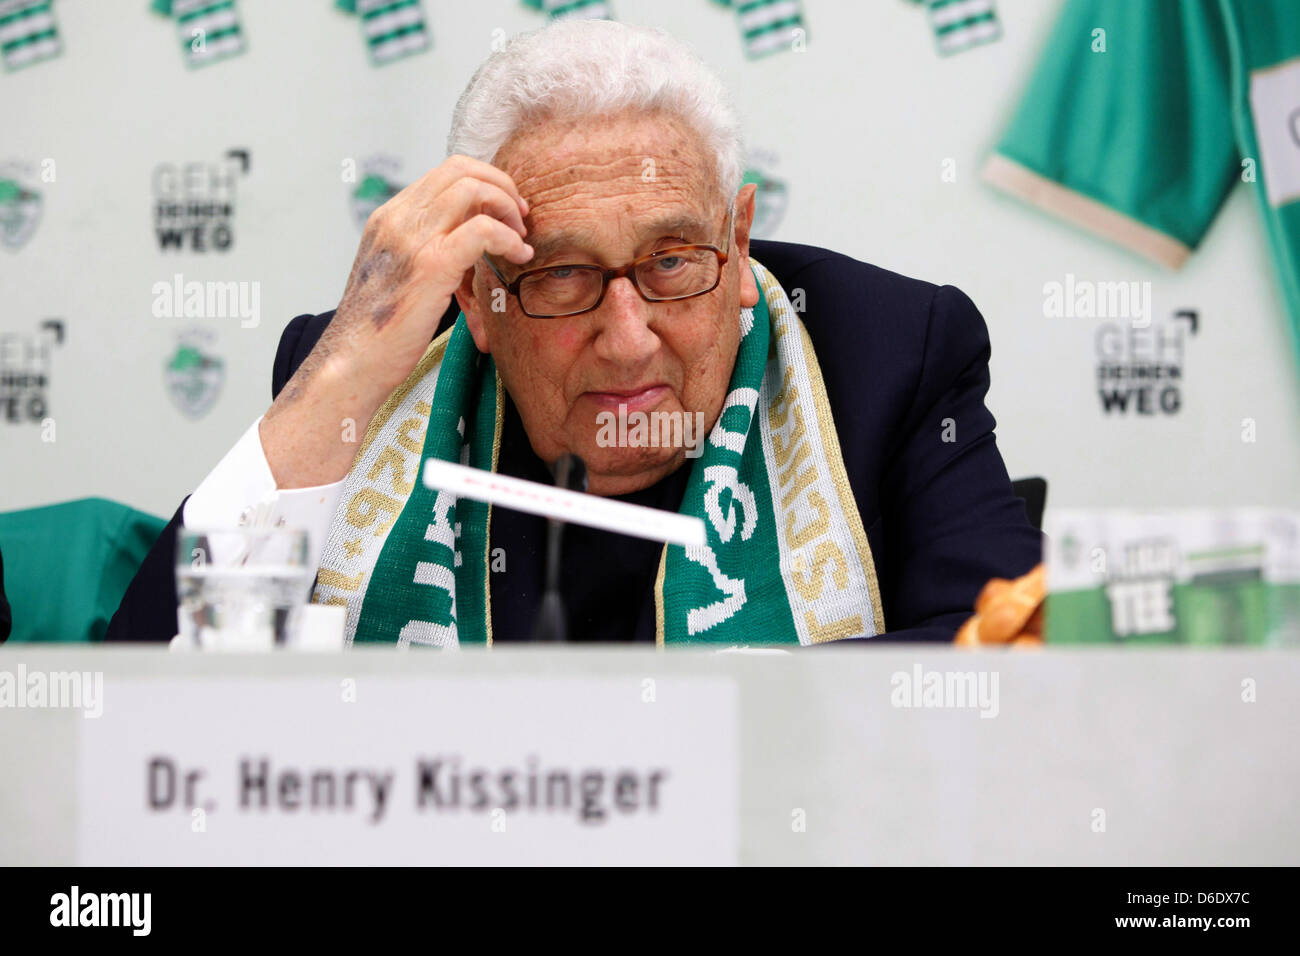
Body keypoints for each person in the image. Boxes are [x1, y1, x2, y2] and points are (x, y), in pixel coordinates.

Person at [107, 19, 1041, 646]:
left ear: (738, 238)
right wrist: (339, 374)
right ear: (476, 294)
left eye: (673, 261)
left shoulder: (888, 350)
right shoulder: (365, 375)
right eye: (562, 275)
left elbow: (1008, 671)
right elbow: (149, 709)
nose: (629, 339)